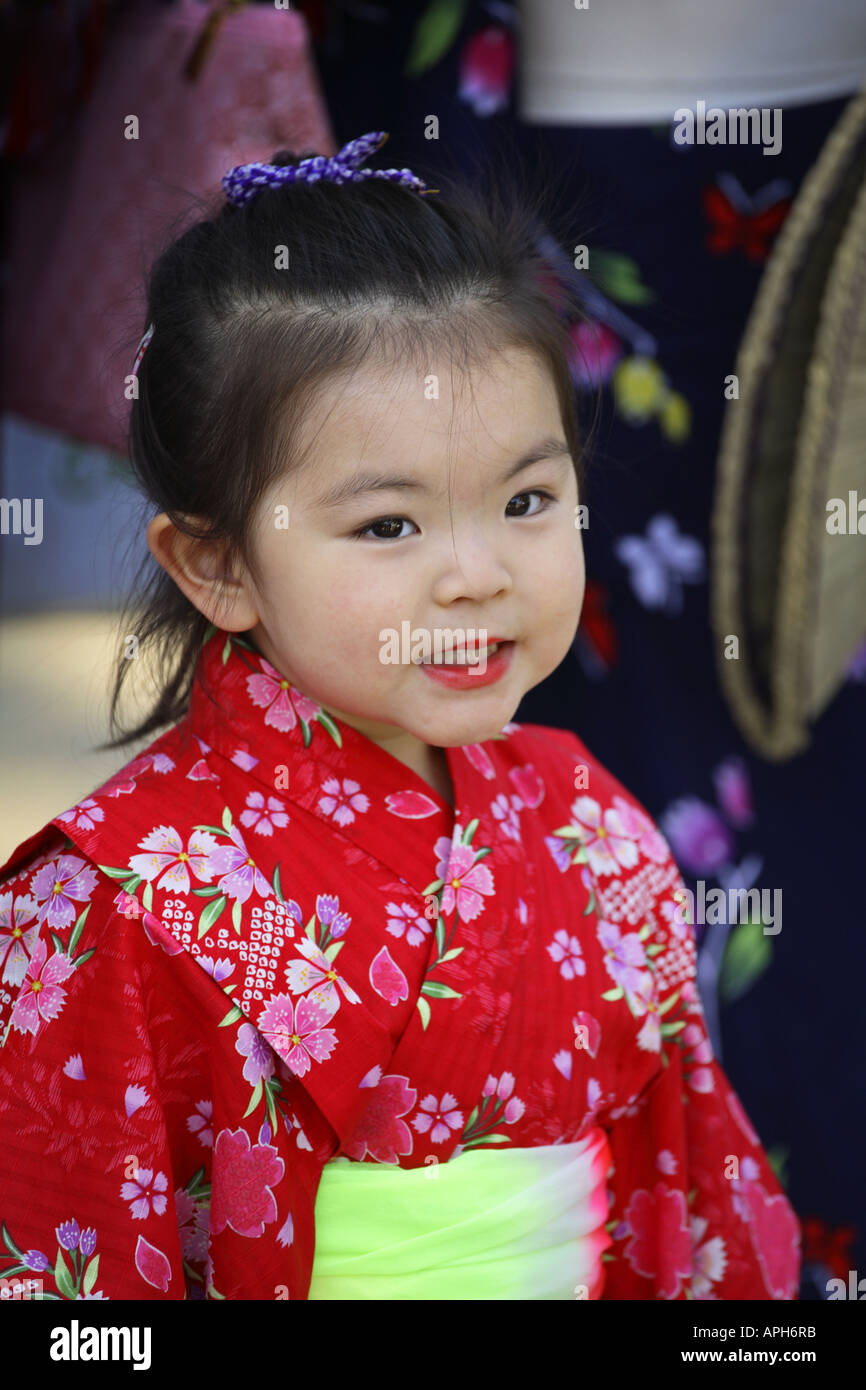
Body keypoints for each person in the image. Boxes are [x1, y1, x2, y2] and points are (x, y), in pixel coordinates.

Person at [0, 133, 799, 1301]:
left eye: (525, 500)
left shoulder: (585, 819)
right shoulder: (109, 904)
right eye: (388, 525)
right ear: (215, 564)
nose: (476, 574)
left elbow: (681, 1206)